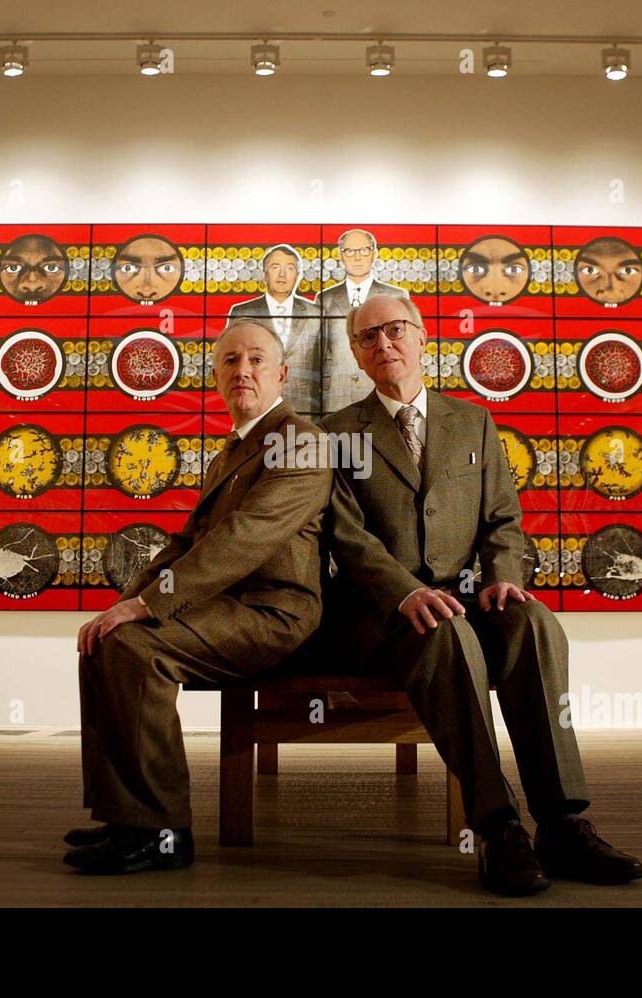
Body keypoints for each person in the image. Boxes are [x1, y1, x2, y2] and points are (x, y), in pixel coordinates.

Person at [319, 292, 642, 896]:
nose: (383, 343)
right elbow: (346, 536)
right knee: (440, 631)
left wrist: (503, 578)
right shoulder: (336, 432)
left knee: (534, 622)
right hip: (384, 615)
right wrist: (403, 592)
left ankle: (562, 823)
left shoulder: (472, 421)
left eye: (395, 330)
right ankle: (498, 829)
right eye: (367, 337)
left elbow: (502, 520)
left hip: (469, 596)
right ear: (357, 356)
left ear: (422, 338)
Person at [67, 319, 332, 875]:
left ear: (282, 373)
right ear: (216, 377)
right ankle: (126, 817)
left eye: (257, 359)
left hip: (274, 612)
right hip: (223, 608)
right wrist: (126, 601)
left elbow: (245, 539)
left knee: (135, 649)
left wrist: (148, 608)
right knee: (105, 641)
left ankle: (161, 834)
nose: (244, 370)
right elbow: (186, 543)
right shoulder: (233, 450)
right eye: (231, 361)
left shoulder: (301, 441)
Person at [317, 228, 408, 414]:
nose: (357, 257)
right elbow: (319, 352)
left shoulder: (396, 295)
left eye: (364, 250)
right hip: (336, 394)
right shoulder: (324, 298)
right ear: (340, 256)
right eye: (350, 251)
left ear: (374, 254)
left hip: (382, 392)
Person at [227, 244, 322, 415]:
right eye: (275, 267)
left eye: (290, 268)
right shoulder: (243, 313)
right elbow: (230, 362)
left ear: (298, 275)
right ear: (265, 274)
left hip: (305, 414)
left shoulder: (315, 313)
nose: (282, 274)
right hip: (256, 411)